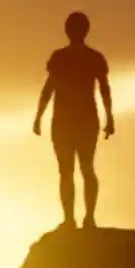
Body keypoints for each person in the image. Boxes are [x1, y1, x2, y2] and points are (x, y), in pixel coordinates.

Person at [33, 12, 114, 230]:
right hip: (70, 122)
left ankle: (84, 218)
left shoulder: (84, 58)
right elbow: (49, 88)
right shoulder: (70, 57)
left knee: (77, 169)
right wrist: (38, 116)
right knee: (74, 170)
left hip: (76, 121)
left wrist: (110, 117)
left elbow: (104, 88)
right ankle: (74, 219)